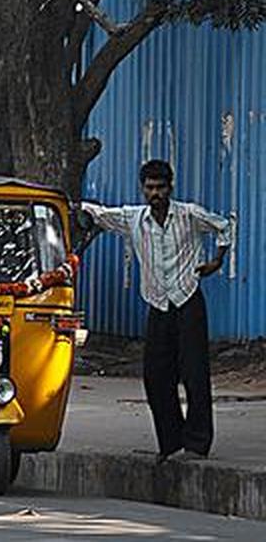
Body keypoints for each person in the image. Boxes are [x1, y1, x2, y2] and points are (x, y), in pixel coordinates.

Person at [82, 160, 235, 463]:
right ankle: (171, 443)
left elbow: (225, 226)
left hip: (187, 300)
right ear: (143, 189)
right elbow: (99, 214)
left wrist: (217, 261)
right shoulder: (134, 219)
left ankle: (196, 444)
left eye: (160, 188)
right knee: (155, 376)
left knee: (194, 373)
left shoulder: (189, 214)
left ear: (170, 187)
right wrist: (76, 209)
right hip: (158, 303)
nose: (155, 193)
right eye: (150, 188)